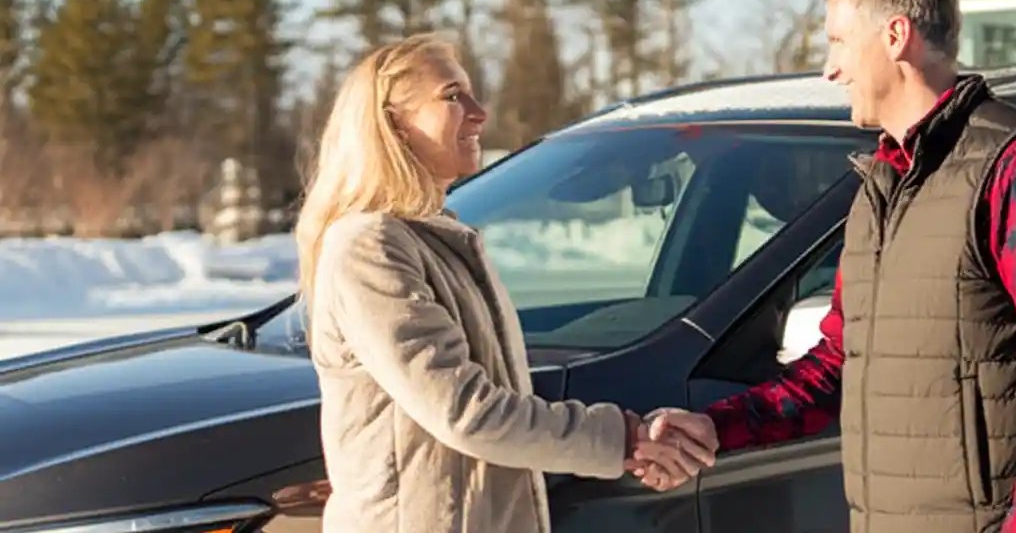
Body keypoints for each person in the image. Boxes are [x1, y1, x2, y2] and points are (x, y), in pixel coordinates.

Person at [649, 0, 1016, 532]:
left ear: (896, 36)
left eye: (839, 41)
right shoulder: (879, 189)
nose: (830, 70)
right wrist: (718, 426)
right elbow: (838, 366)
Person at [294, 33, 715, 533]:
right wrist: (622, 438)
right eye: (453, 96)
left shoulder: (436, 238)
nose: (479, 112)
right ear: (393, 125)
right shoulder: (369, 246)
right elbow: (467, 411)